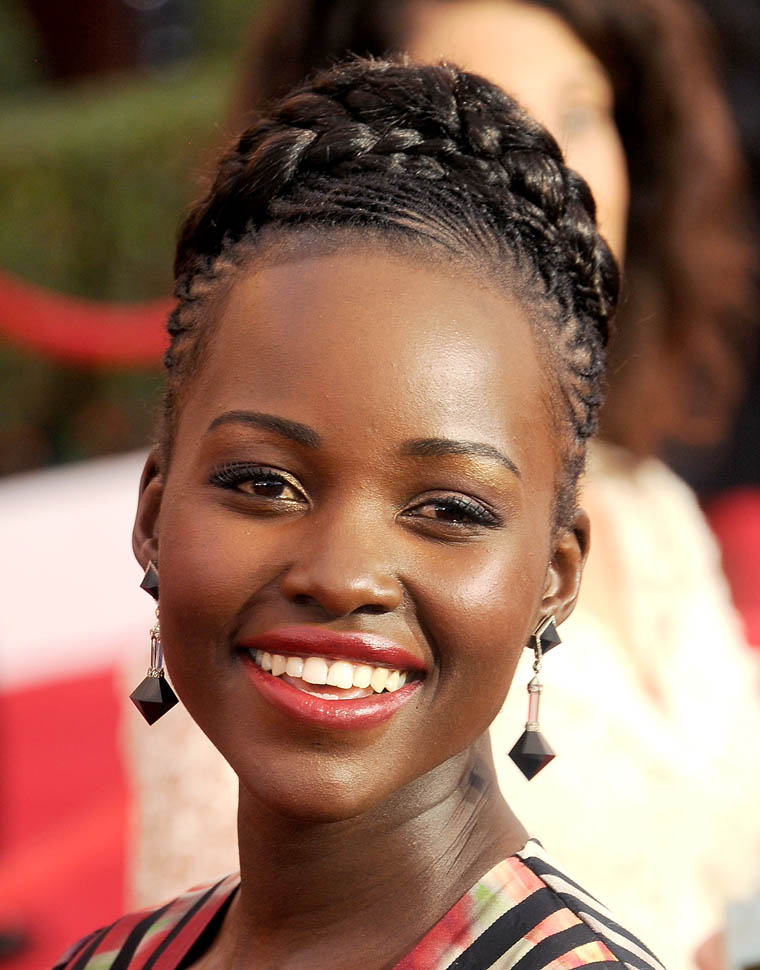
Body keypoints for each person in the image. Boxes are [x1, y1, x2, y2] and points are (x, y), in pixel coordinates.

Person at [126, 5, 760, 969]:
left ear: (557, 571)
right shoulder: (255, 665)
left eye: (578, 114)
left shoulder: (657, 512)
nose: (546, 165)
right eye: (479, 109)